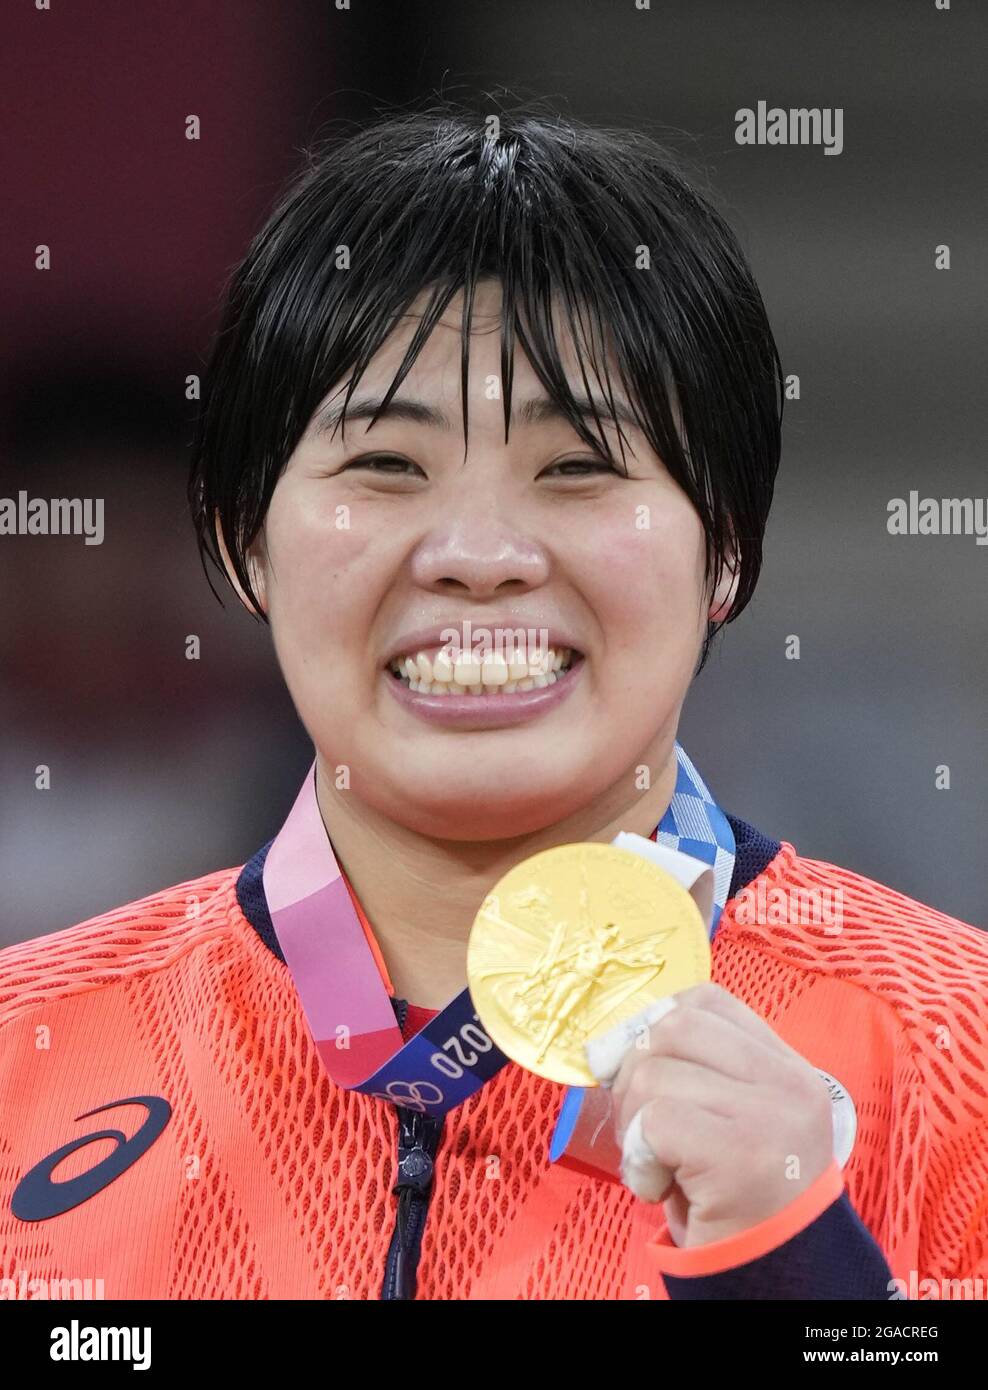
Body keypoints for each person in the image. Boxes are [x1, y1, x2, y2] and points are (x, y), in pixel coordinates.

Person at [2, 108, 986, 1302]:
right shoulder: (27, 1054)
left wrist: (801, 1276)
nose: (476, 554)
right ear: (241, 538)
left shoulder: (955, 1048)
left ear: (726, 545)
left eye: (577, 467)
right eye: (385, 466)